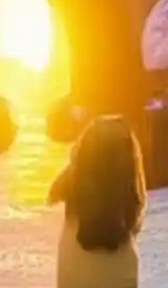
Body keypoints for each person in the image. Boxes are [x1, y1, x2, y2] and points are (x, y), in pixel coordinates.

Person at [48, 115, 145, 288]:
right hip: (121, 272)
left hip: (74, 270)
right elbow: (135, 224)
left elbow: (53, 195)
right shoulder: (128, 191)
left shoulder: (71, 185)